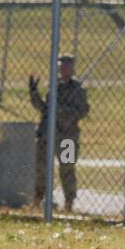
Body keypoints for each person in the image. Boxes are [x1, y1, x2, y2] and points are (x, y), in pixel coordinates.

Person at [30, 54, 89, 213]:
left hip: (68, 136)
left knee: (67, 168)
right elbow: (45, 109)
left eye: (67, 67)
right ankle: (38, 198)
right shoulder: (53, 86)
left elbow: (82, 111)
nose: (63, 70)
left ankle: (69, 202)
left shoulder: (78, 90)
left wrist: (61, 110)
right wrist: (34, 94)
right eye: (61, 66)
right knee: (41, 167)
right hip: (47, 135)